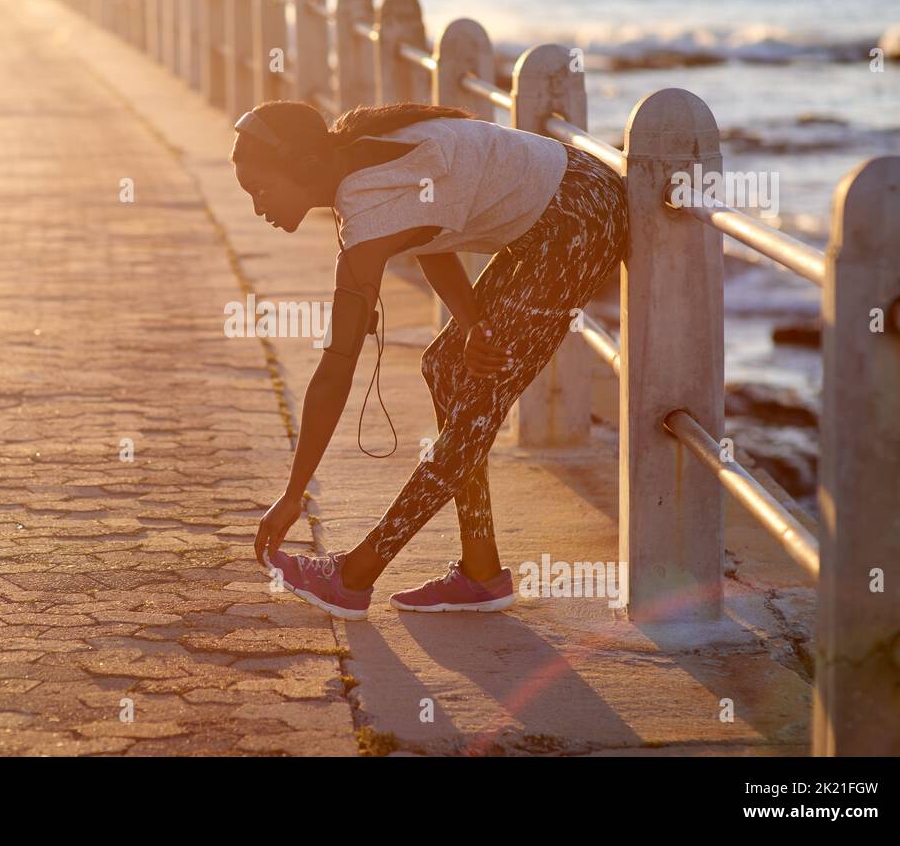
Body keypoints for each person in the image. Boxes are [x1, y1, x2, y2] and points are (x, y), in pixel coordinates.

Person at [231, 100, 628, 619]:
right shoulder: (355, 162)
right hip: (552, 215)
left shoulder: (366, 213)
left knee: (480, 400)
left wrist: (293, 494)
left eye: (261, 189)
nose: (258, 207)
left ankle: (355, 576)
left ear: (304, 167)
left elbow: (335, 370)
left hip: (580, 219)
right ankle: (482, 572)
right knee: (445, 365)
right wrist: (471, 323)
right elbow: (431, 230)